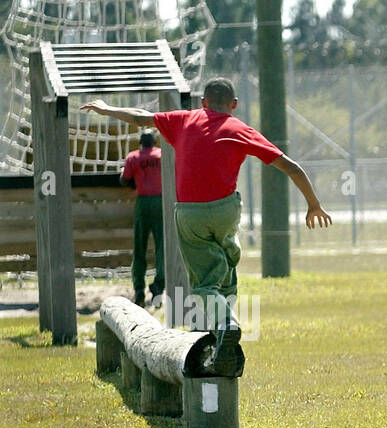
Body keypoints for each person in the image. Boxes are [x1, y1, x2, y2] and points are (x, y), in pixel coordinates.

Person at [82, 79, 331, 331]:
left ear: (203, 103)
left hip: (191, 214)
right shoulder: (241, 129)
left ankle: (225, 322)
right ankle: (225, 322)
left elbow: (140, 118)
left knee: (203, 284)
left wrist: (106, 108)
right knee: (225, 263)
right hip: (226, 211)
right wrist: (314, 204)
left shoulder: (185, 119)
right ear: (234, 104)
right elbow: (291, 166)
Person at [120, 129, 165, 307]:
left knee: (139, 246)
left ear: (140, 142)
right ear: (155, 142)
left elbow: (124, 179)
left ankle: (139, 288)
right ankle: (158, 287)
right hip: (160, 202)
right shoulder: (162, 156)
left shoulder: (133, 157)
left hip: (143, 202)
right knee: (162, 247)